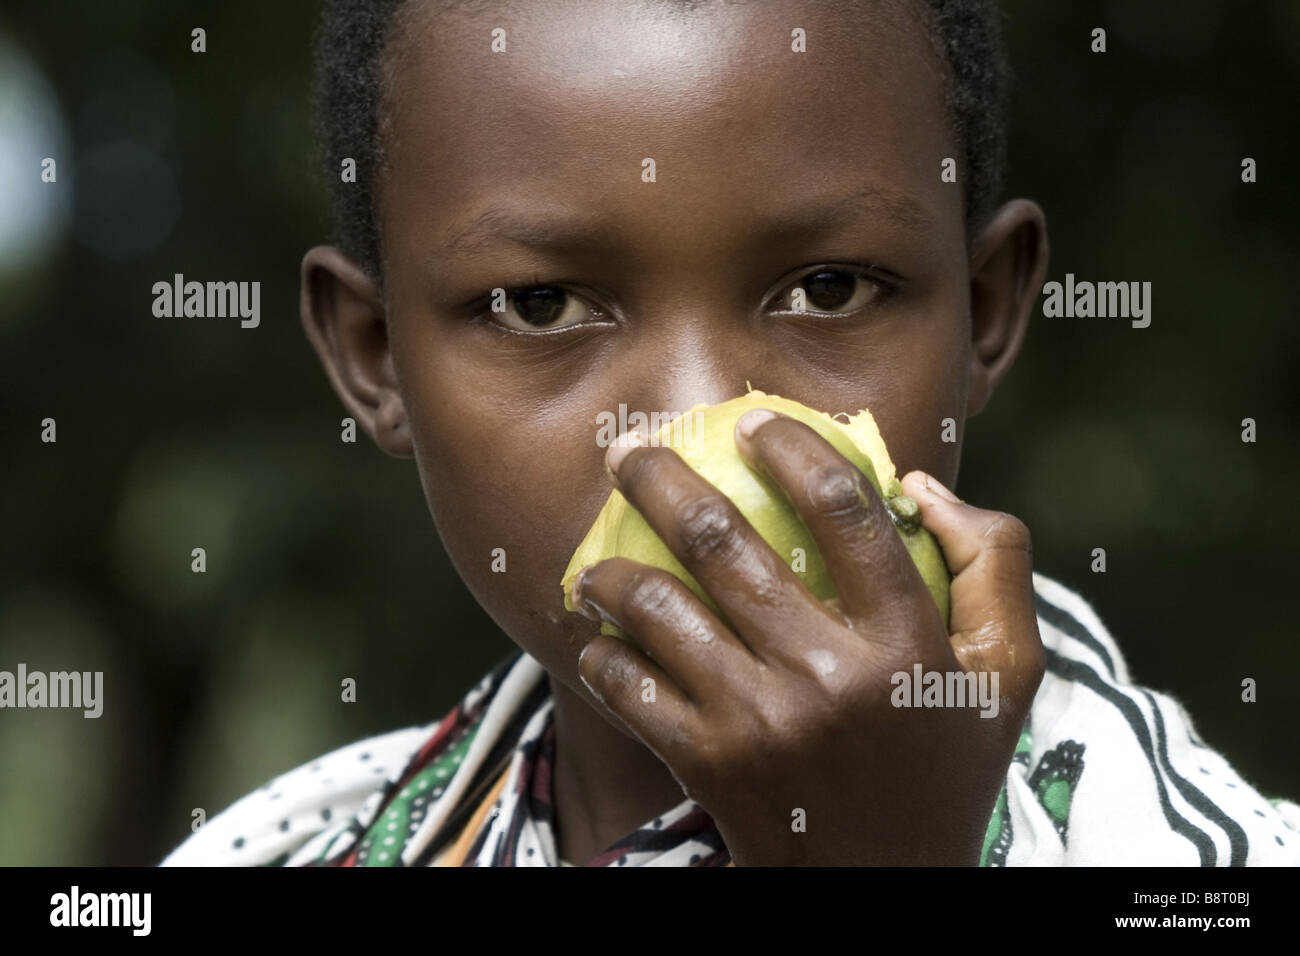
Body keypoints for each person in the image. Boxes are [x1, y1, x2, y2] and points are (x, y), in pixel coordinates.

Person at [161, 0, 1299, 866]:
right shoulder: (284, 846)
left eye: (829, 287)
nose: (693, 427)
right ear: (375, 357)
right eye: (545, 305)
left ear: (986, 311)